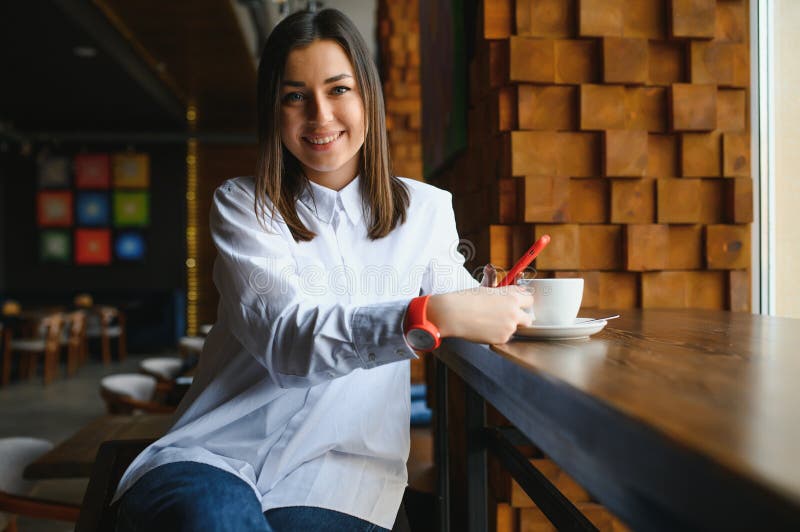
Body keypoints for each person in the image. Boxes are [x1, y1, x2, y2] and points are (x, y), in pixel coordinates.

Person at [114, 8, 532, 532]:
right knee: (218, 518)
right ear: (274, 109)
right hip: (214, 456)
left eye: (338, 90)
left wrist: (510, 303)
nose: (320, 115)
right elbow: (287, 341)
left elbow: (469, 303)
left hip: (341, 479)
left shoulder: (426, 212)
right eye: (295, 96)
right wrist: (422, 315)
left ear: (368, 98)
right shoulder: (245, 206)